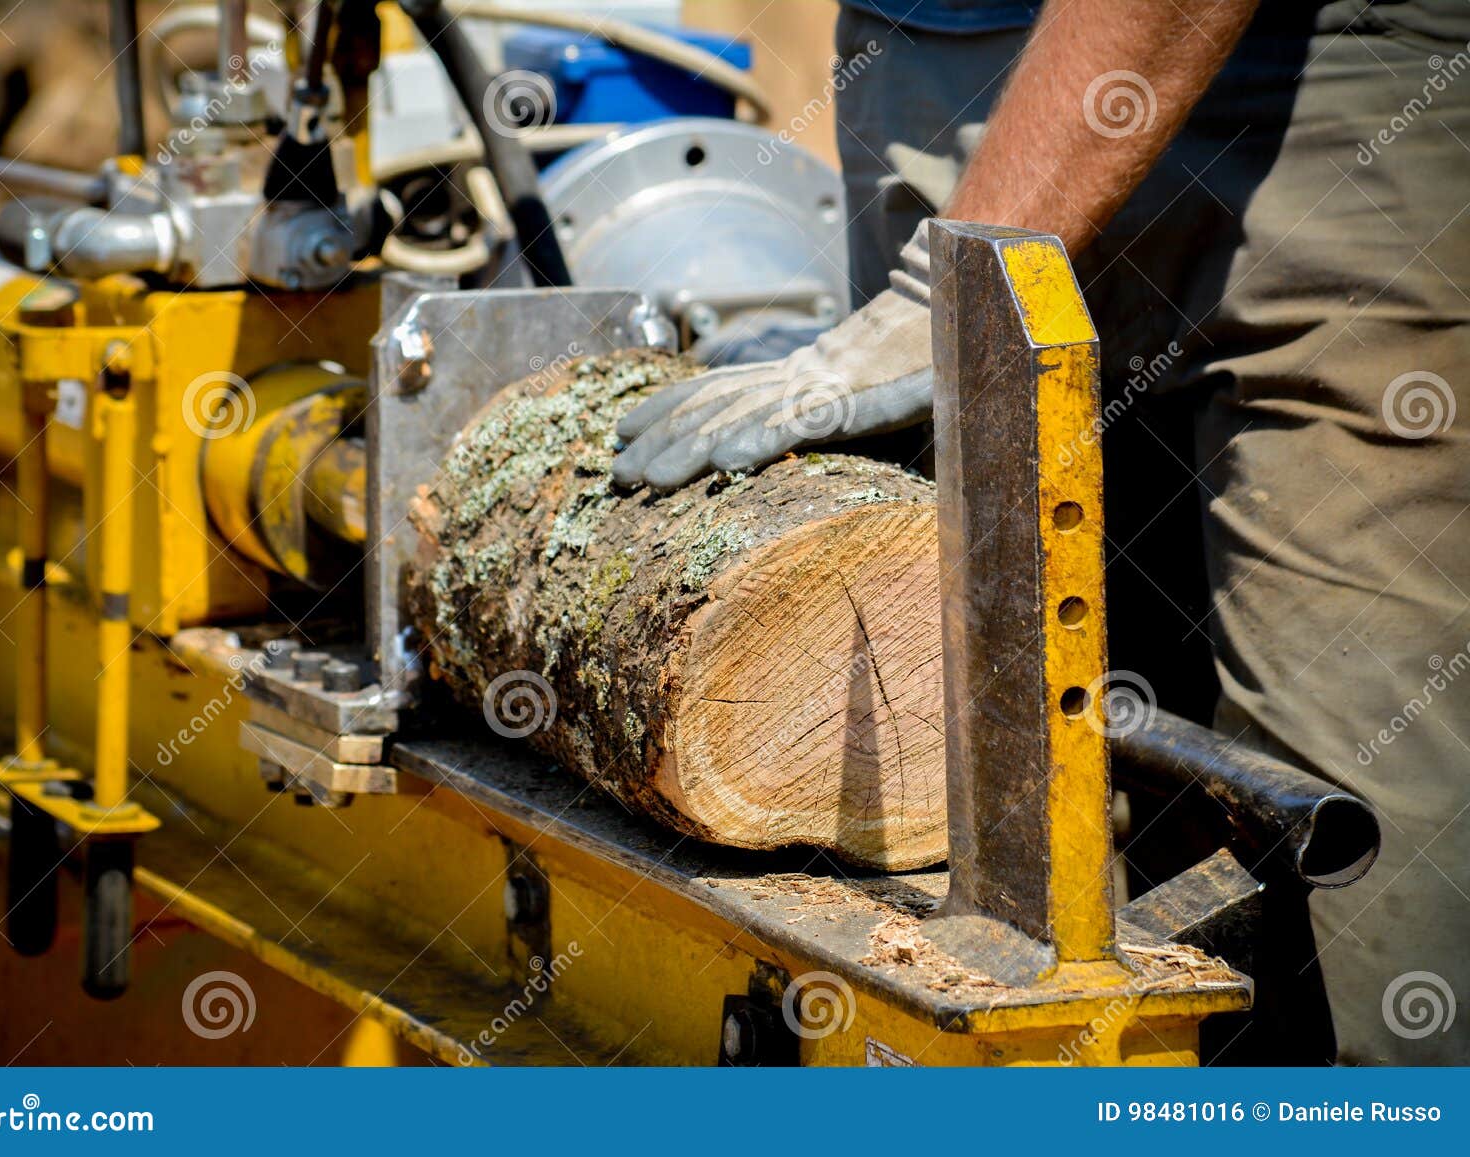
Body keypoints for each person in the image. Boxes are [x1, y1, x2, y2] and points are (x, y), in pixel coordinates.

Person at [614, 0, 1470, 1066]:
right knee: (976, 881)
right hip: (939, 87)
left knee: (1366, 911)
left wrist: (958, 276)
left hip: (1316, 107)